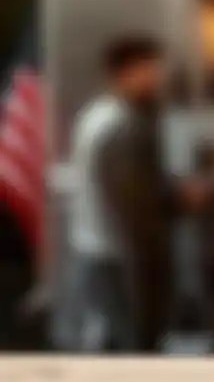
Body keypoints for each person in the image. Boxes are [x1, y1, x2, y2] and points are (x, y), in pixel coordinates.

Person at [65, 36, 206, 351]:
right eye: (149, 70)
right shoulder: (118, 124)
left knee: (121, 339)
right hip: (116, 255)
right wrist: (177, 201)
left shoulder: (105, 116)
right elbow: (132, 200)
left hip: (104, 249)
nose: (156, 78)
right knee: (132, 344)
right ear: (123, 73)